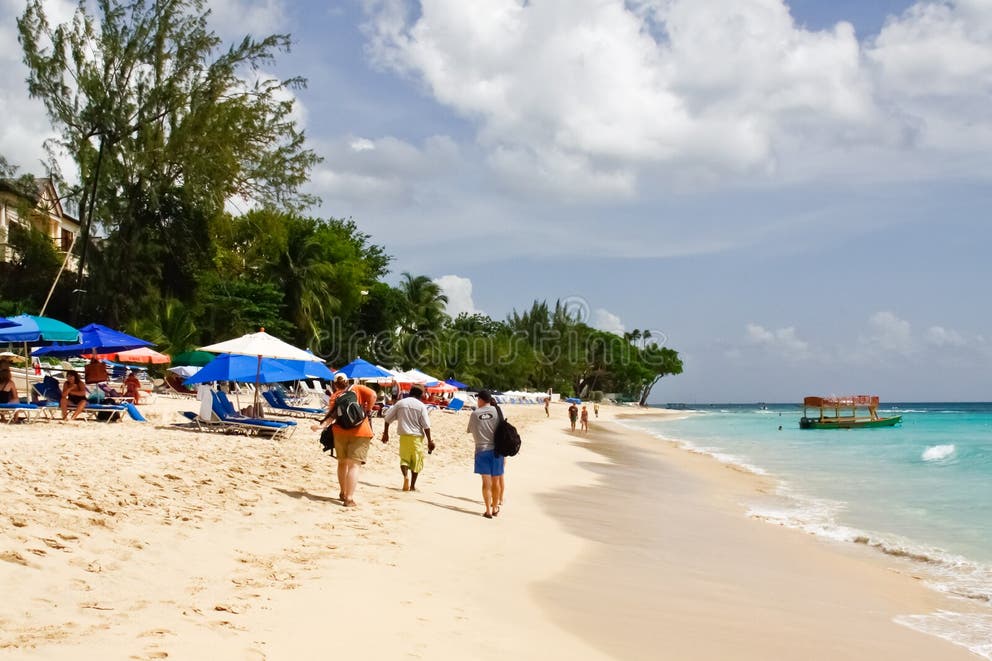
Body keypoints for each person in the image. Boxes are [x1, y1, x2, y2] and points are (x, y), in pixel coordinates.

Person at [312, 373, 377, 507]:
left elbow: (331, 416)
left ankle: (342, 492)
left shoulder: (335, 396)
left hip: (340, 432)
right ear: (348, 382)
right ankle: (349, 498)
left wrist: (320, 426)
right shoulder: (357, 388)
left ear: (335, 384)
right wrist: (368, 410)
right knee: (354, 465)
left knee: (342, 463)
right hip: (361, 431)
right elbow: (373, 395)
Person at [381, 384, 434, 492]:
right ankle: (413, 486)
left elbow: (387, 418)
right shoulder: (421, 406)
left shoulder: (401, 403)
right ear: (421, 394)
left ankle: (405, 476)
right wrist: (430, 441)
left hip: (404, 437)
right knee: (416, 462)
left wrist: (386, 433)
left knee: (404, 460)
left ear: (410, 392)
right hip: (416, 438)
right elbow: (426, 426)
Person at [467, 390, 503, 519]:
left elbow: (470, 430)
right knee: (496, 481)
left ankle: (487, 510)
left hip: (481, 450)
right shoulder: (497, 411)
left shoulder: (475, 414)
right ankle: (495, 507)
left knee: (486, 482)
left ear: (481, 400)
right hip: (497, 450)